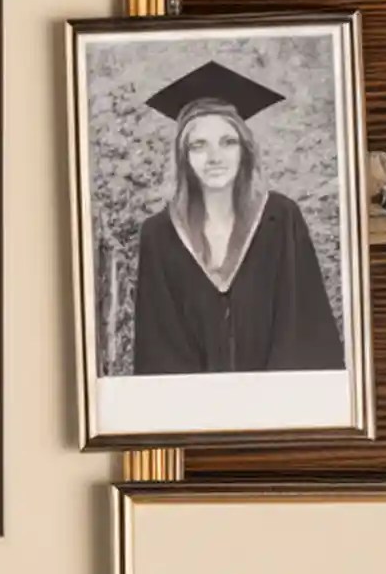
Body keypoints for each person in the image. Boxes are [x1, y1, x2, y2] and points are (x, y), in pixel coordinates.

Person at [132, 61, 345, 375]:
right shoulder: (160, 235)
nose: (215, 157)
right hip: (197, 415)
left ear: (245, 151)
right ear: (184, 157)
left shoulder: (280, 220)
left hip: (276, 409)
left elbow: (304, 331)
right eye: (199, 145)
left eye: (227, 142)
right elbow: (159, 347)